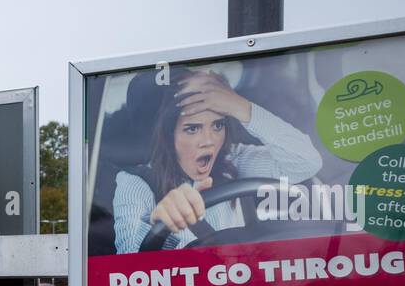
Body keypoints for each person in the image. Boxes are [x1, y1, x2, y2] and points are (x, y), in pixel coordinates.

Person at [113, 69, 322, 253]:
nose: (209, 141)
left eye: (217, 126)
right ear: (167, 135)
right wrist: (161, 227)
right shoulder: (135, 183)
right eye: (192, 128)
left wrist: (240, 107)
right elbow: (131, 269)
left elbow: (306, 163)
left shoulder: (234, 160)